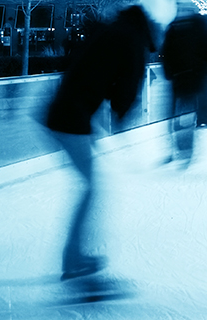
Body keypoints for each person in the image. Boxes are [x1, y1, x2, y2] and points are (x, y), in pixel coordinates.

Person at [42, 4, 155, 301]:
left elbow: (79, 62)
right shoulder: (132, 40)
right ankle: (75, 261)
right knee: (92, 187)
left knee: (91, 185)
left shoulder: (111, 29)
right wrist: (121, 114)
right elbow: (128, 88)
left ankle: (74, 257)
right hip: (70, 117)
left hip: (63, 110)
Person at [161, 0, 207, 168]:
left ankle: (186, 152)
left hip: (195, 78)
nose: (182, 10)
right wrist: (168, 72)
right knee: (172, 117)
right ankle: (174, 150)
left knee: (186, 118)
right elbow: (165, 52)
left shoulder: (201, 26)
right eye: (180, 7)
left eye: (185, 7)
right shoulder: (173, 28)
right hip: (177, 79)